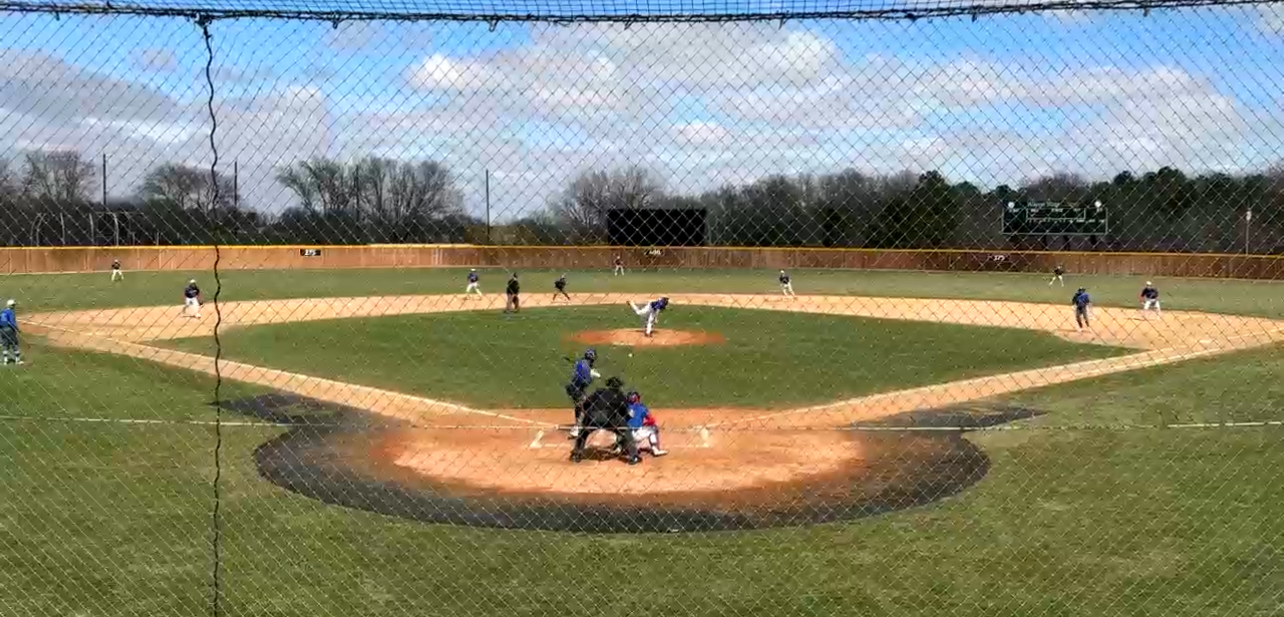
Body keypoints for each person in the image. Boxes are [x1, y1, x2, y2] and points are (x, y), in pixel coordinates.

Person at [570, 376, 641, 465]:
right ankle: (633, 456)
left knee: (583, 432)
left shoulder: (599, 392)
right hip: (609, 418)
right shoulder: (620, 395)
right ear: (618, 386)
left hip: (593, 417)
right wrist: (621, 425)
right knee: (625, 431)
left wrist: (586, 420)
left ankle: (576, 454)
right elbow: (624, 412)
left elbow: (586, 404)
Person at [615, 390, 667, 457]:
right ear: (637, 399)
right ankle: (655, 450)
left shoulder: (623, 408)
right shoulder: (642, 408)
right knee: (653, 428)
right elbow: (652, 420)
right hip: (637, 435)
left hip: (626, 436)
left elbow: (617, 419)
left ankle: (619, 447)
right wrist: (644, 424)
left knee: (619, 427)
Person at [564, 349, 601, 439]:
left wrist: (590, 371)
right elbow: (585, 382)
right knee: (585, 407)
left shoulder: (580, 363)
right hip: (577, 390)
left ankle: (578, 425)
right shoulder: (586, 367)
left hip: (573, 389)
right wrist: (591, 376)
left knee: (579, 407)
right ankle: (577, 429)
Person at [1, 300, 21, 366]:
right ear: (12, 306)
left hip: (2, 330)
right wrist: (18, 329)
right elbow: (12, 322)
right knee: (14, 344)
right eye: (14, 305)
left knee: (5, 345)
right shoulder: (11, 312)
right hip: (10, 330)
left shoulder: (2, 312)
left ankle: (5, 361)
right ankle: (17, 360)